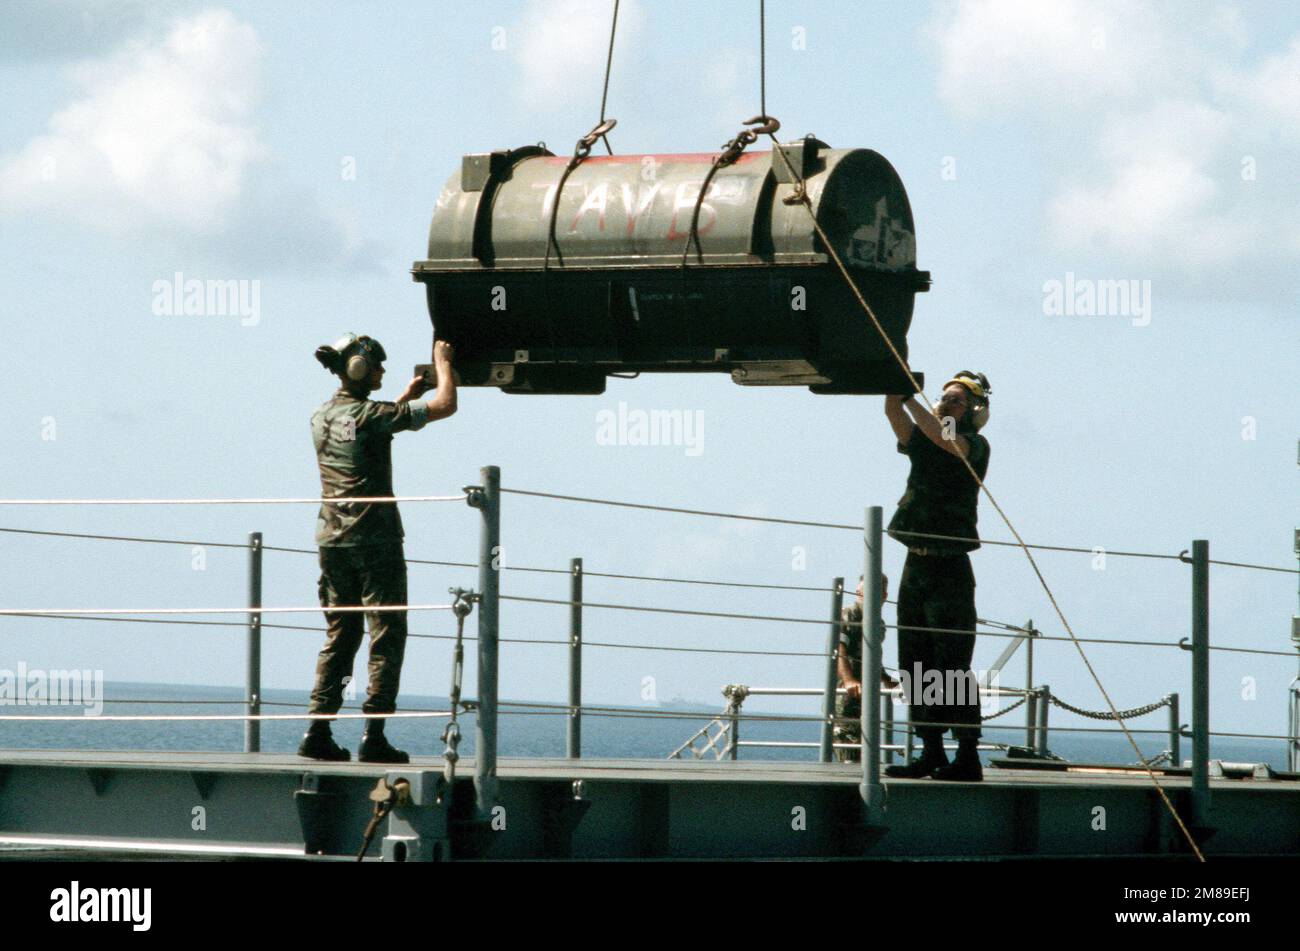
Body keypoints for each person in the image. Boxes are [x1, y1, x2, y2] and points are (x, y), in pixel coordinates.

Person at [298, 334, 458, 763]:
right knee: (385, 634)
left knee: (341, 634)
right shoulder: (372, 415)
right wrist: (444, 365)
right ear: (358, 368)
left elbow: (368, 426)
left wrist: (407, 396)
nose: (383, 373)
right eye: (376, 366)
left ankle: (318, 729)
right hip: (376, 540)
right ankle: (374, 733)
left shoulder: (321, 415)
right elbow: (445, 406)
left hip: (332, 540)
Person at [881, 371, 992, 782]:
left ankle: (967, 756)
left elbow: (944, 437)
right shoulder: (925, 440)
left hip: (950, 566)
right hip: (916, 563)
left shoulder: (974, 446)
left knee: (952, 662)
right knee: (915, 661)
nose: (945, 403)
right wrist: (893, 383)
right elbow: (894, 411)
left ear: (974, 412)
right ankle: (930, 751)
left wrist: (914, 397)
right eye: (943, 397)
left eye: (955, 400)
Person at [834, 573, 899, 763]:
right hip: (845, 701)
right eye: (866, 591)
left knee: (866, 759)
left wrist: (889, 681)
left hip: (866, 701)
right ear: (858, 592)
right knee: (848, 760)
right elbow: (838, 648)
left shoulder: (878, 623)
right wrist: (848, 680)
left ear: (884, 595)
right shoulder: (849, 615)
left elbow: (873, 659)